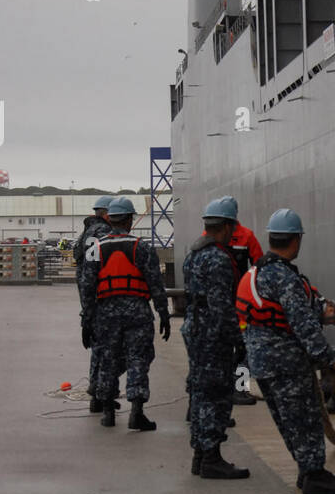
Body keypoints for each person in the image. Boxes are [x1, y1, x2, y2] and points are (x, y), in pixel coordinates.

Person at [236, 208, 335, 494]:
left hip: (262, 364)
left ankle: (306, 471)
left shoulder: (257, 271)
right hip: (286, 363)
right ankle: (314, 475)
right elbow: (303, 326)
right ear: (296, 240)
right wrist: (331, 359)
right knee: (306, 419)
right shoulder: (285, 277)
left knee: (288, 421)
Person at [79, 197, 170, 429]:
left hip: (105, 314)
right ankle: (136, 413)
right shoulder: (143, 248)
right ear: (129, 220)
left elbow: (87, 287)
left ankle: (108, 413)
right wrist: (163, 313)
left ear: (111, 219)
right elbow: (156, 284)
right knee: (138, 358)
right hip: (137, 313)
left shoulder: (95, 249)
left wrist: (87, 321)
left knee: (107, 359)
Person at [183, 198, 250, 479]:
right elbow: (222, 307)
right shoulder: (219, 259)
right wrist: (239, 340)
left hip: (196, 330)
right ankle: (211, 458)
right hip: (214, 336)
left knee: (200, 394)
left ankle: (200, 455)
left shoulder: (193, 254)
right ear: (226, 226)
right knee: (217, 395)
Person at [219, 195, 262, 406]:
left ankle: (225, 389)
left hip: (220, 304)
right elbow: (260, 267)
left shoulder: (210, 235)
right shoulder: (247, 236)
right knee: (244, 347)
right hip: (241, 305)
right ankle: (239, 389)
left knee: (223, 348)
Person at [73, 196, 114, 412]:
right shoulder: (103, 233)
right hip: (101, 297)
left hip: (89, 296)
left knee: (98, 348)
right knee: (108, 350)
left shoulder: (87, 232)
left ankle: (96, 393)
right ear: (106, 214)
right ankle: (101, 392)